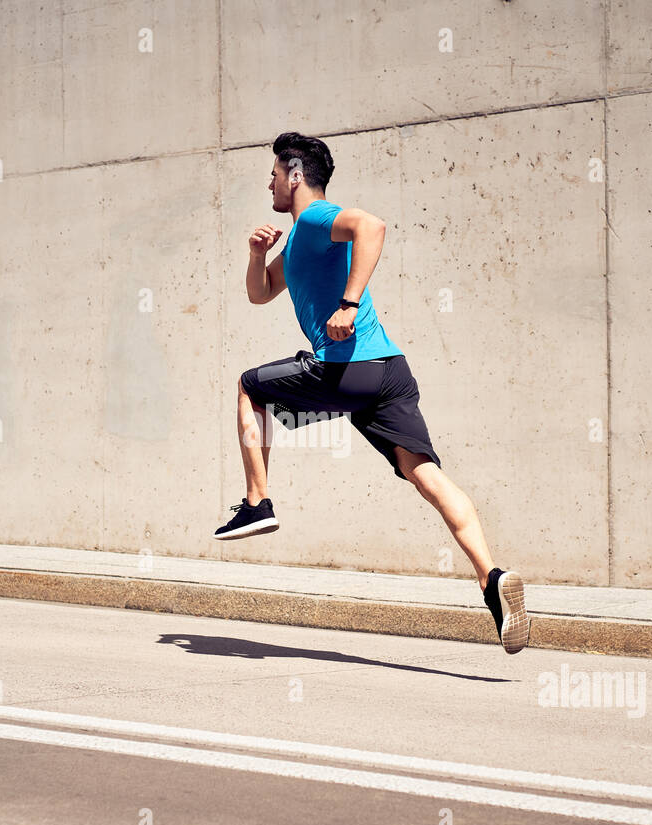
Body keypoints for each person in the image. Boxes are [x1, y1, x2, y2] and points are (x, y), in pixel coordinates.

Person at [214, 131, 529, 655]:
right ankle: (490, 579)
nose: (267, 183)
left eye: (272, 173)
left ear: (295, 175)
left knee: (250, 387)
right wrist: (255, 253)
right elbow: (260, 293)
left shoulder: (315, 217)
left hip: (350, 370)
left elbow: (372, 226)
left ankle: (257, 501)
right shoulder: (296, 239)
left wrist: (349, 303)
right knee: (426, 475)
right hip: (389, 374)